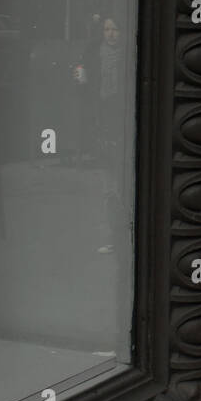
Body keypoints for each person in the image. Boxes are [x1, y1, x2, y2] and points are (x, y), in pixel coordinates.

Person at [73, 17, 128, 254]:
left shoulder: (129, 53)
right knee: (110, 183)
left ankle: (124, 238)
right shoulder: (93, 54)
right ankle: (115, 237)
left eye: (115, 29)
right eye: (107, 29)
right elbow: (83, 86)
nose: (111, 34)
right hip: (103, 121)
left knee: (123, 181)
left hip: (123, 119)